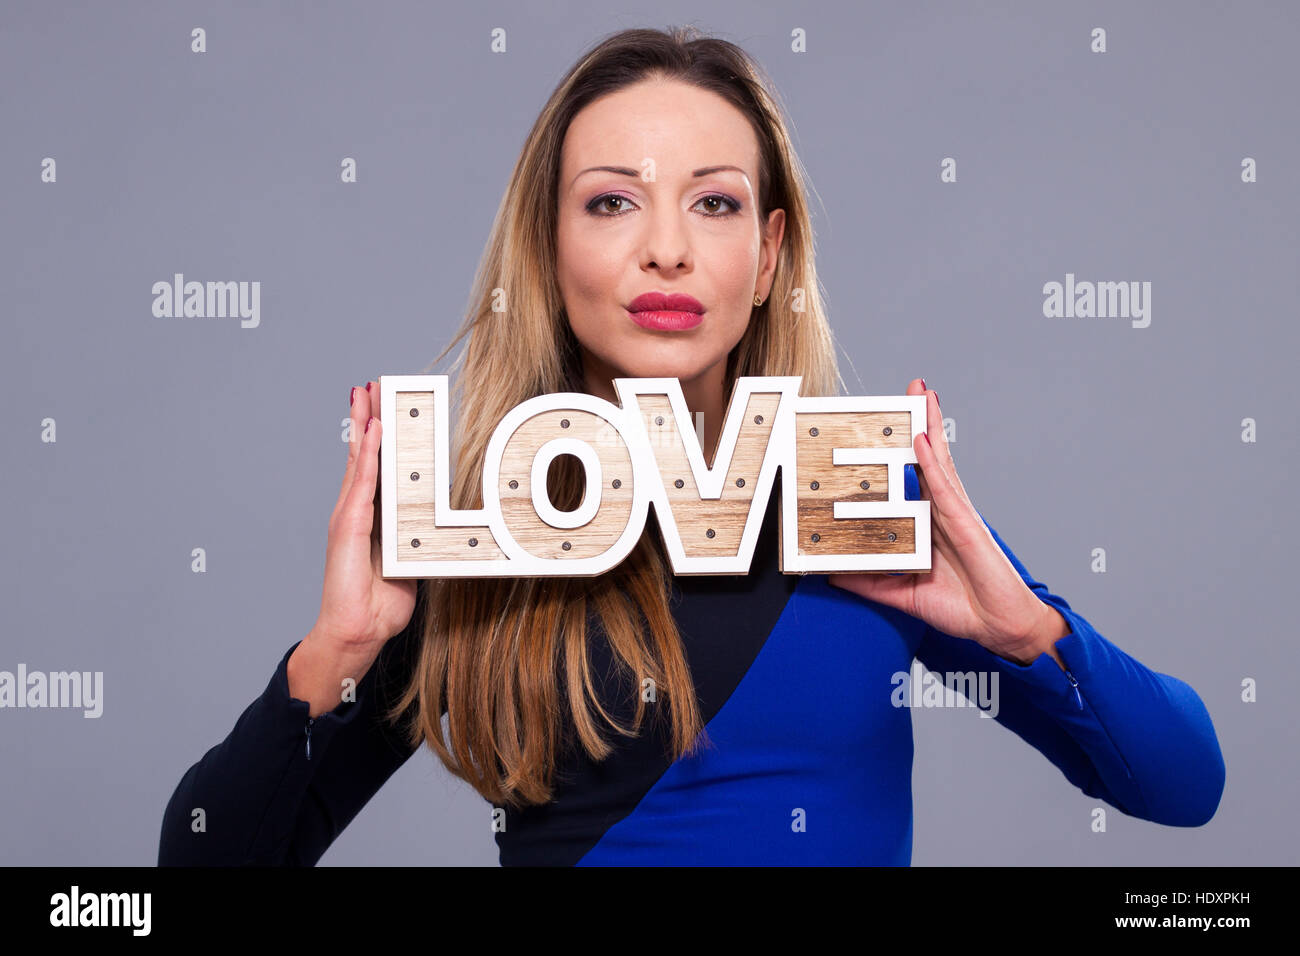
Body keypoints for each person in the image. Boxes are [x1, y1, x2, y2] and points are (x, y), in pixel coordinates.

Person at [158, 25, 1225, 866]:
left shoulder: (851, 493)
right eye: (612, 201)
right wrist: (334, 653)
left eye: (713, 203)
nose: (665, 248)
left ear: (766, 254)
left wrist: (1028, 631)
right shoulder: (476, 517)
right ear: (547, 243)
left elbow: (1183, 786)